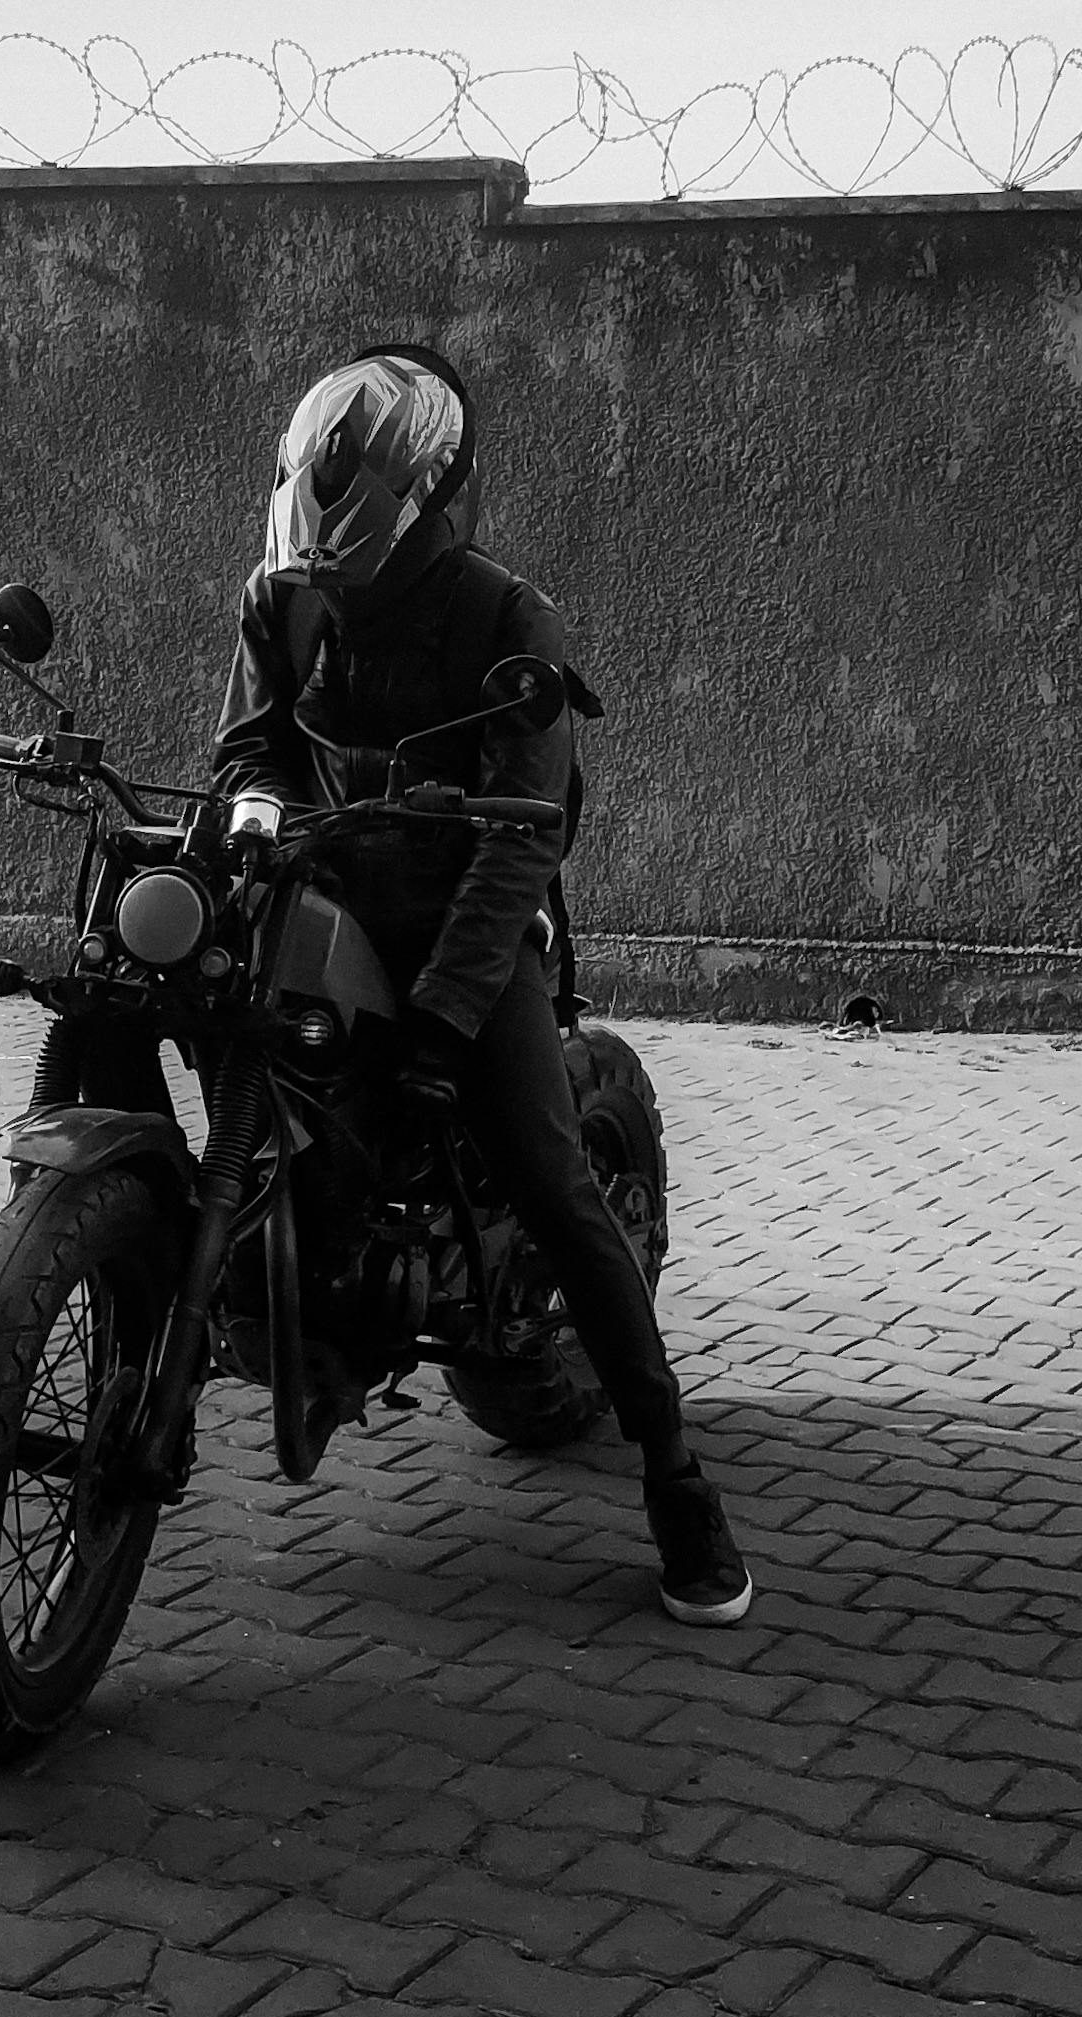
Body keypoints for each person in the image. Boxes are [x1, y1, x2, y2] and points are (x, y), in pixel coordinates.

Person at [211, 343, 753, 1625]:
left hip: (466, 919)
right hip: (328, 896)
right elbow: (252, 744)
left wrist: (448, 1018)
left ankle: (678, 1487)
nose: (332, 565)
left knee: (552, 1182)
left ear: (423, 497)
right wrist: (256, 815)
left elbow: (525, 838)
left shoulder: (508, 621)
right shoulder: (278, 598)